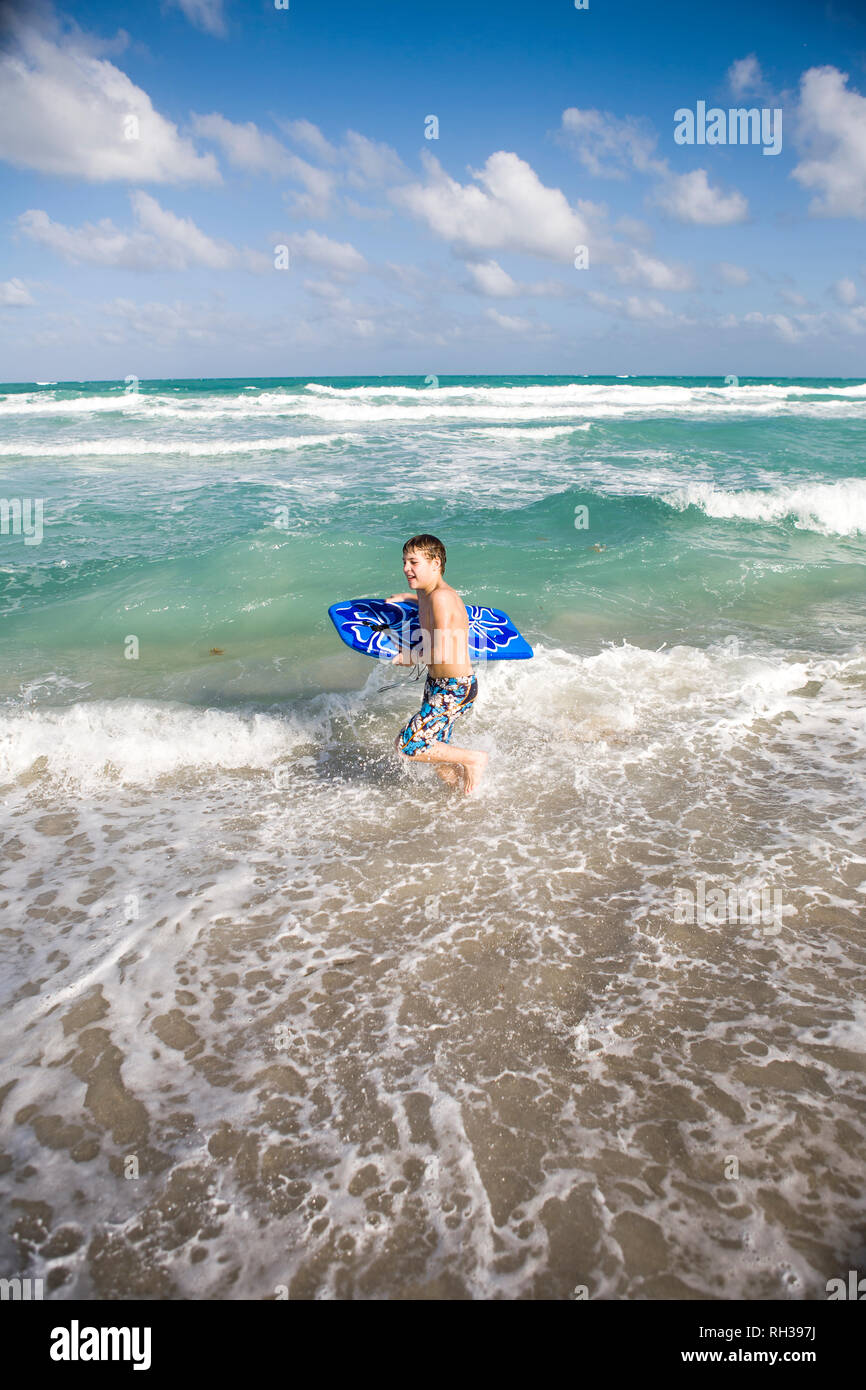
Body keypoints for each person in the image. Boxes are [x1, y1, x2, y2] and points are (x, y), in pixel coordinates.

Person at [386, 534, 488, 794]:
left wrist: (410, 658)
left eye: (413, 562)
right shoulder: (425, 593)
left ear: (435, 563)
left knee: (408, 744)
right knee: (438, 758)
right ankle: (463, 800)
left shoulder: (442, 598)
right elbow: (424, 602)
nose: (406, 568)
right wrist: (408, 598)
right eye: (404, 562)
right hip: (437, 685)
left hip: (456, 688)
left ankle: (474, 759)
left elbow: (441, 652)